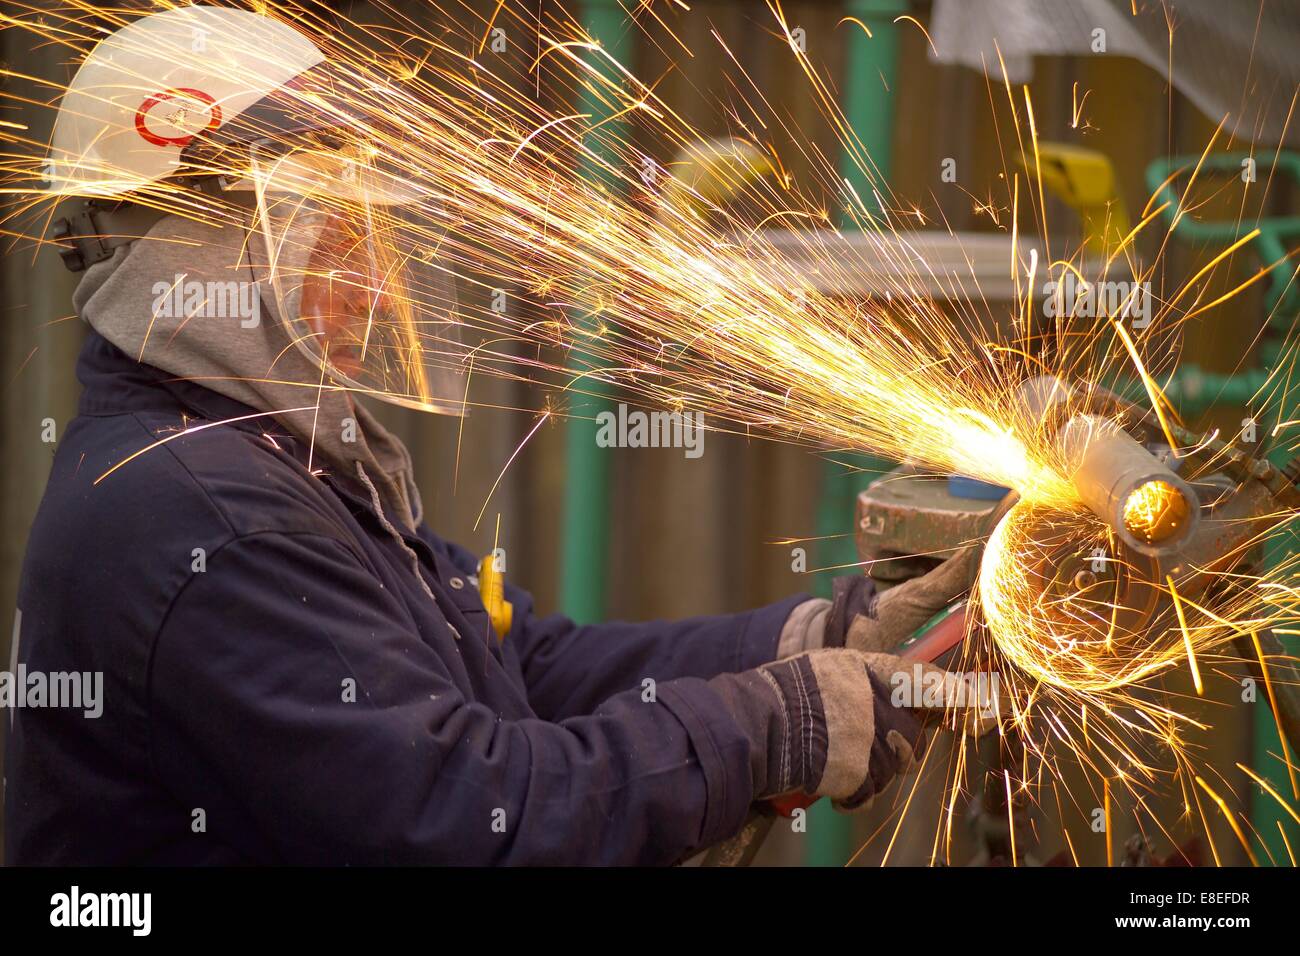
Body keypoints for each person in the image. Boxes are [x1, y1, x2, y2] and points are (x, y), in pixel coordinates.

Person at [5, 5, 981, 865]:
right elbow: (468, 813)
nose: (367, 280)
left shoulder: (284, 460)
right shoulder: (201, 516)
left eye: (366, 237)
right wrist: (772, 724)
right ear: (195, 248)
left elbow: (527, 666)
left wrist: (815, 638)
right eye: (328, 235)